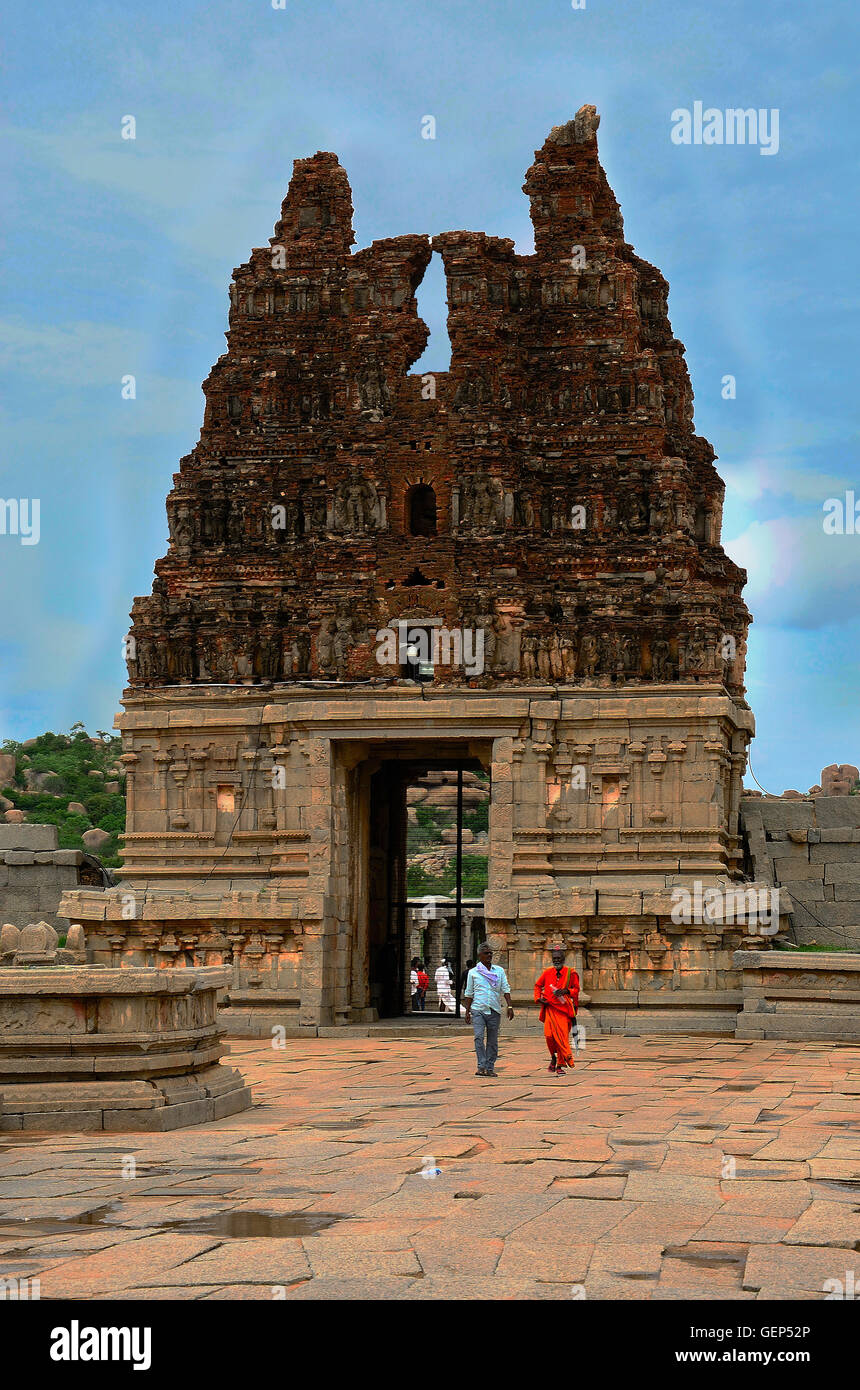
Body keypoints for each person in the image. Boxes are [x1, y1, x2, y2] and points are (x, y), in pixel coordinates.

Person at [463, 942, 514, 1077]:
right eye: (486, 953)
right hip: (478, 1009)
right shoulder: (473, 973)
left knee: (492, 1041)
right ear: (479, 955)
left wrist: (509, 1006)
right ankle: (481, 1066)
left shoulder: (499, 971)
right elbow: (469, 993)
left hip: (494, 1009)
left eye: (491, 953)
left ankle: (490, 1067)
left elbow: (505, 989)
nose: (489, 955)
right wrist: (467, 1011)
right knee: (478, 1038)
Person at [534, 946, 579, 1076]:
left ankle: (560, 1064)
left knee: (561, 1037)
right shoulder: (547, 972)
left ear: (563, 959)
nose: (556, 960)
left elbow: (576, 990)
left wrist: (566, 991)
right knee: (549, 1036)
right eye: (554, 958)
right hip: (550, 1009)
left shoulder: (571, 973)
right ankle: (553, 1057)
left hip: (563, 1011)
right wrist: (539, 999)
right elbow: (538, 985)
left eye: (559, 958)